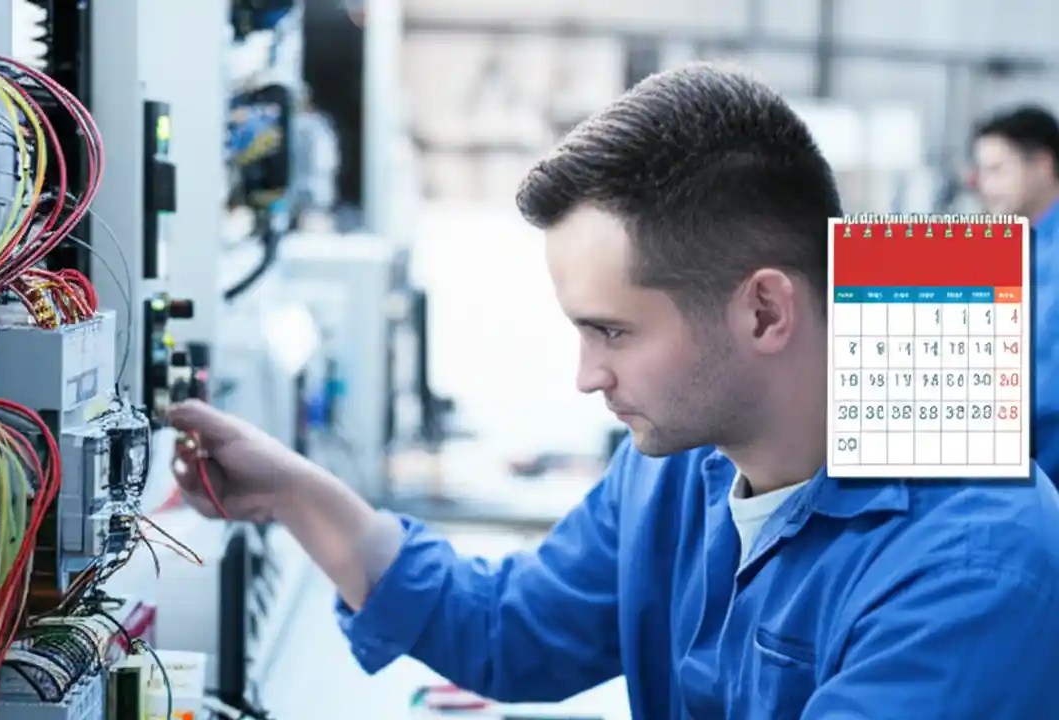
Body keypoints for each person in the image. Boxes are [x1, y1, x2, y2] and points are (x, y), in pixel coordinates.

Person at [169, 64, 1059, 718]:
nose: (588, 376)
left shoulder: (977, 566)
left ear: (763, 311)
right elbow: (509, 627)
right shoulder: (686, 464)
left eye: (613, 331)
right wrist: (292, 492)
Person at [971, 105, 1059, 482]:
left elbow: (1046, 393)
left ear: (1042, 166)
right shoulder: (1021, 244)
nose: (986, 187)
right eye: (982, 173)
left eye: (997, 170)